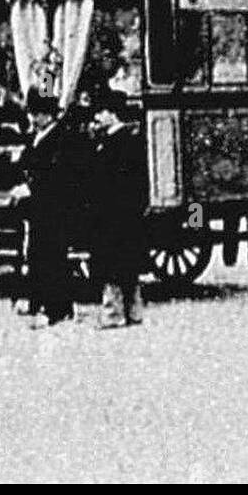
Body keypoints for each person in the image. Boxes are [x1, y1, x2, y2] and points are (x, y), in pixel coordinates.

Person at [13, 89, 80, 329]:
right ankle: (41, 301)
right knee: (37, 254)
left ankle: (55, 309)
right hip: (41, 206)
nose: (33, 119)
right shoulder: (39, 136)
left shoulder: (61, 138)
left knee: (52, 257)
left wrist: (32, 186)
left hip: (55, 206)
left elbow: (58, 174)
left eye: (36, 114)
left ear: (47, 115)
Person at [88, 89, 148, 329]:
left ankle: (113, 313)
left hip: (111, 215)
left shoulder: (112, 143)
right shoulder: (131, 140)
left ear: (111, 114)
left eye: (100, 112)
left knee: (110, 265)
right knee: (128, 264)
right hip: (127, 215)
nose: (97, 117)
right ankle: (134, 311)